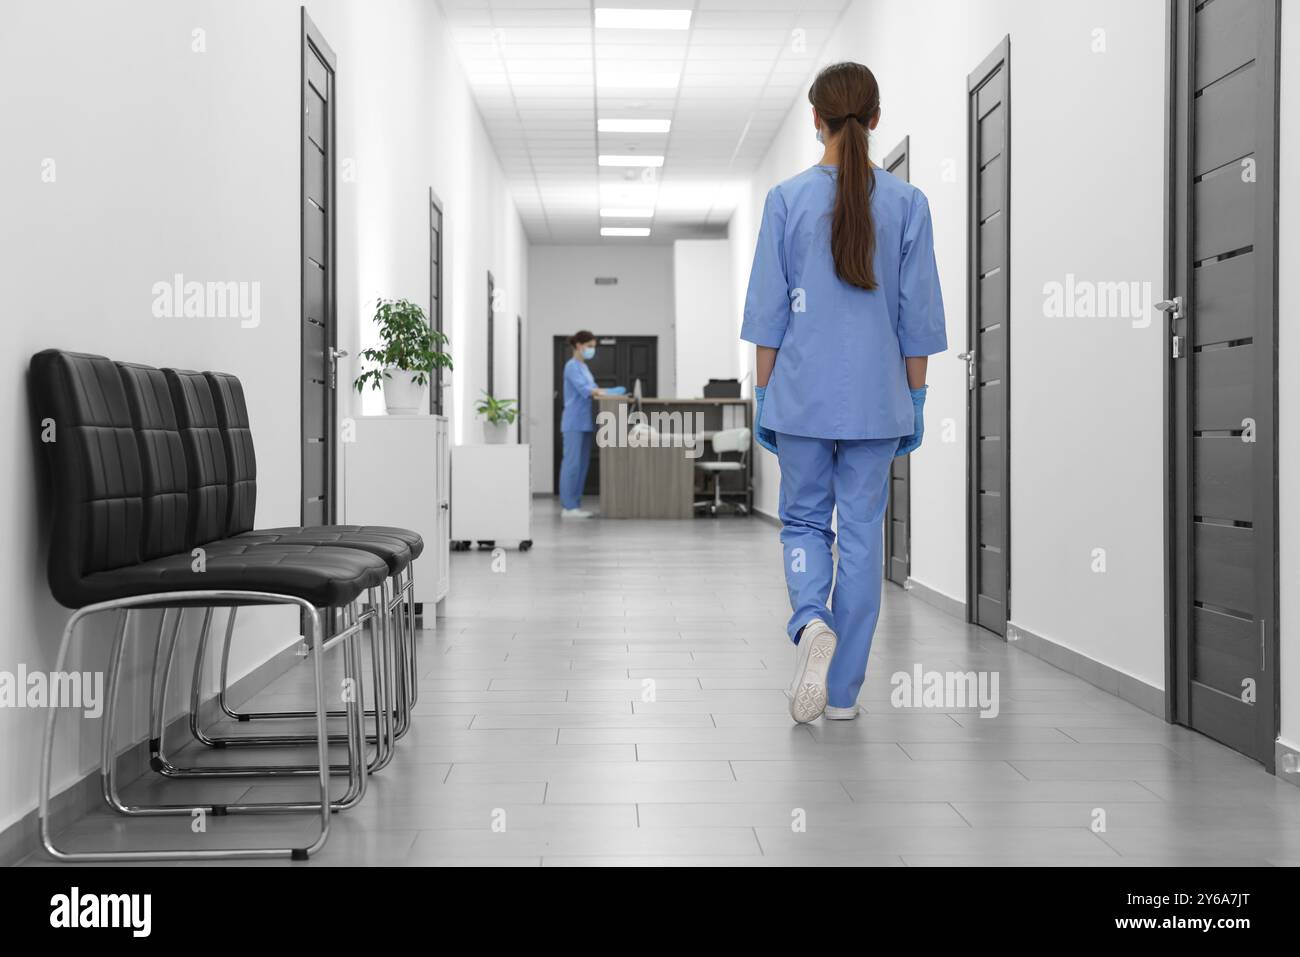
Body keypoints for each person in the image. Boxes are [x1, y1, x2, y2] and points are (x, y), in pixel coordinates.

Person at [741, 62, 948, 724]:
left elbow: (769, 316)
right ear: (877, 119)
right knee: (861, 537)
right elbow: (917, 321)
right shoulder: (909, 205)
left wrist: (765, 393)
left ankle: (809, 620)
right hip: (876, 402)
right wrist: (915, 401)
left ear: (816, 120)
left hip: (799, 398)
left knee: (803, 521)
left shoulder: (786, 200)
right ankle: (843, 695)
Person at [559, 331, 613, 518]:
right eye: (589, 346)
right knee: (572, 464)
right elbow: (586, 390)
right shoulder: (571, 366)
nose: (592, 350)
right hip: (573, 422)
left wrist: (604, 391)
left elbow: (593, 388)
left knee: (582, 465)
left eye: (593, 346)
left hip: (585, 422)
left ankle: (575, 505)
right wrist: (606, 391)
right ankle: (568, 506)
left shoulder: (584, 367)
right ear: (579, 345)